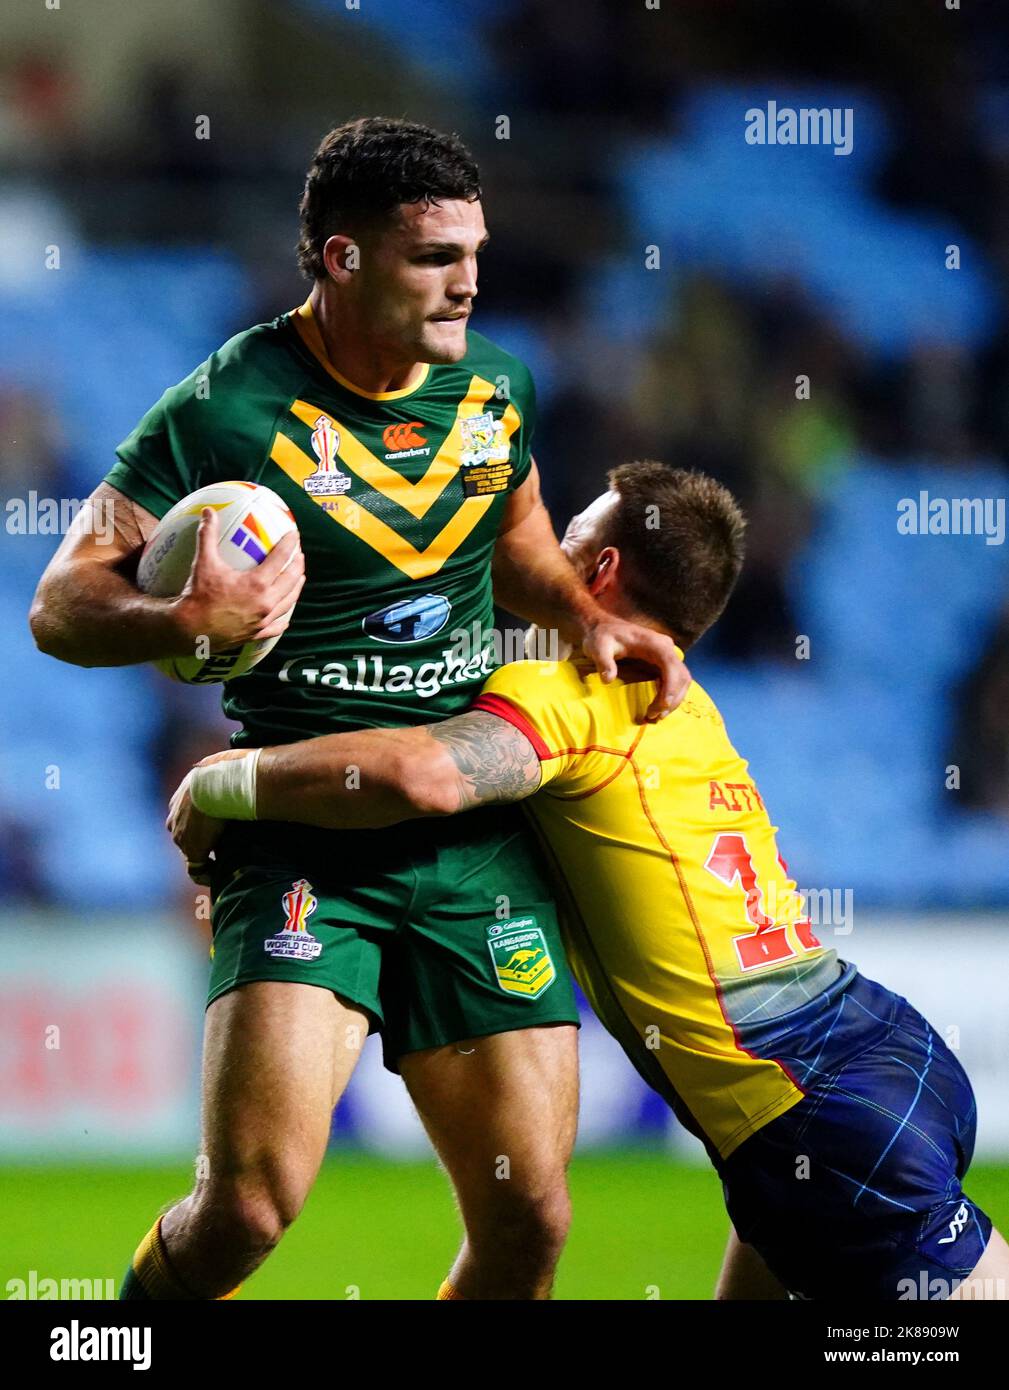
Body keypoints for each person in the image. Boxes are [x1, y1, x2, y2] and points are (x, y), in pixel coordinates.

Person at [28, 117, 688, 1302]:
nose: (469, 280)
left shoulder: (497, 388)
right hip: (301, 833)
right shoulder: (227, 407)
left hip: (472, 837)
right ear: (341, 259)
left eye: (474, 251)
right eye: (435, 255)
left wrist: (589, 619)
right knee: (246, 1206)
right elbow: (61, 601)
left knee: (530, 1214)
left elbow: (524, 541)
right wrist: (180, 622)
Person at [172, 461, 1009, 1301]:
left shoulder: (575, 689)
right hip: (886, 1055)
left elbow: (422, 778)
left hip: (814, 1114)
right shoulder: (688, 703)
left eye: (560, 544)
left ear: (599, 571)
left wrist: (225, 779)